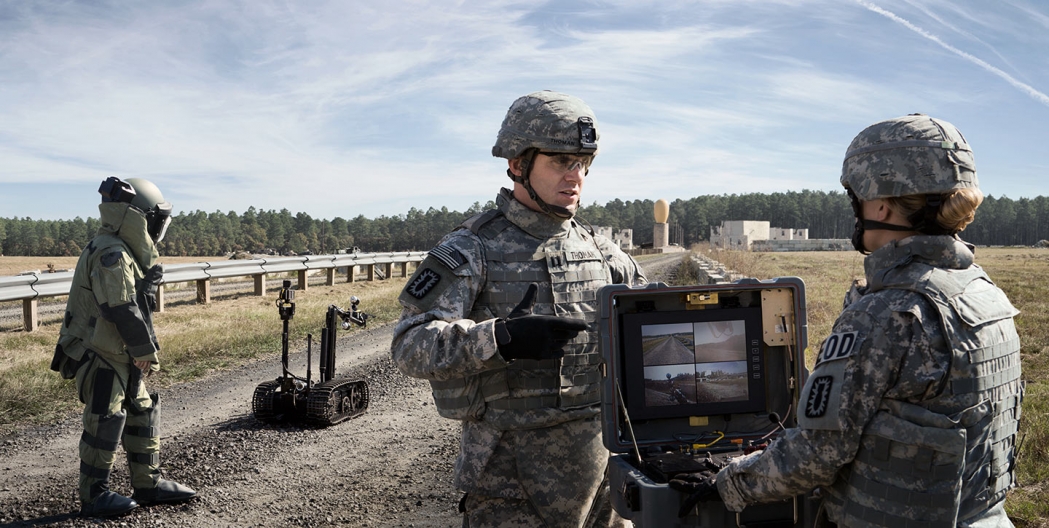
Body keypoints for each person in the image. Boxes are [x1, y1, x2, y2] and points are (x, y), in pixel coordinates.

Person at [670, 114, 1024, 527]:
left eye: (854, 198)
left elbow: (813, 456)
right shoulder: (986, 293)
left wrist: (728, 483)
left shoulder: (886, 314)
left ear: (879, 204)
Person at [391, 90, 647, 527]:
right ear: (517, 164)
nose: (575, 177)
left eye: (582, 164)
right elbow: (409, 345)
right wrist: (499, 338)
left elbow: (651, 320)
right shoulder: (473, 249)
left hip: (604, 471)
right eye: (560, 162)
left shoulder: (601, 251)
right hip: (510, 477)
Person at [51, 176, 196, 517]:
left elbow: (128, 301)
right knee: (106, 419)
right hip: (100, 353)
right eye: (155, 219)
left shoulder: (122, 251)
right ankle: (94, 494)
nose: (158, 228)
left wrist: (144, 289)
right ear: (138, 217)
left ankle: (148, 485)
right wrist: (145, 351)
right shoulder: (111, 252)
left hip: (118, 352)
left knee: (142, 411)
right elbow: (119, 308)